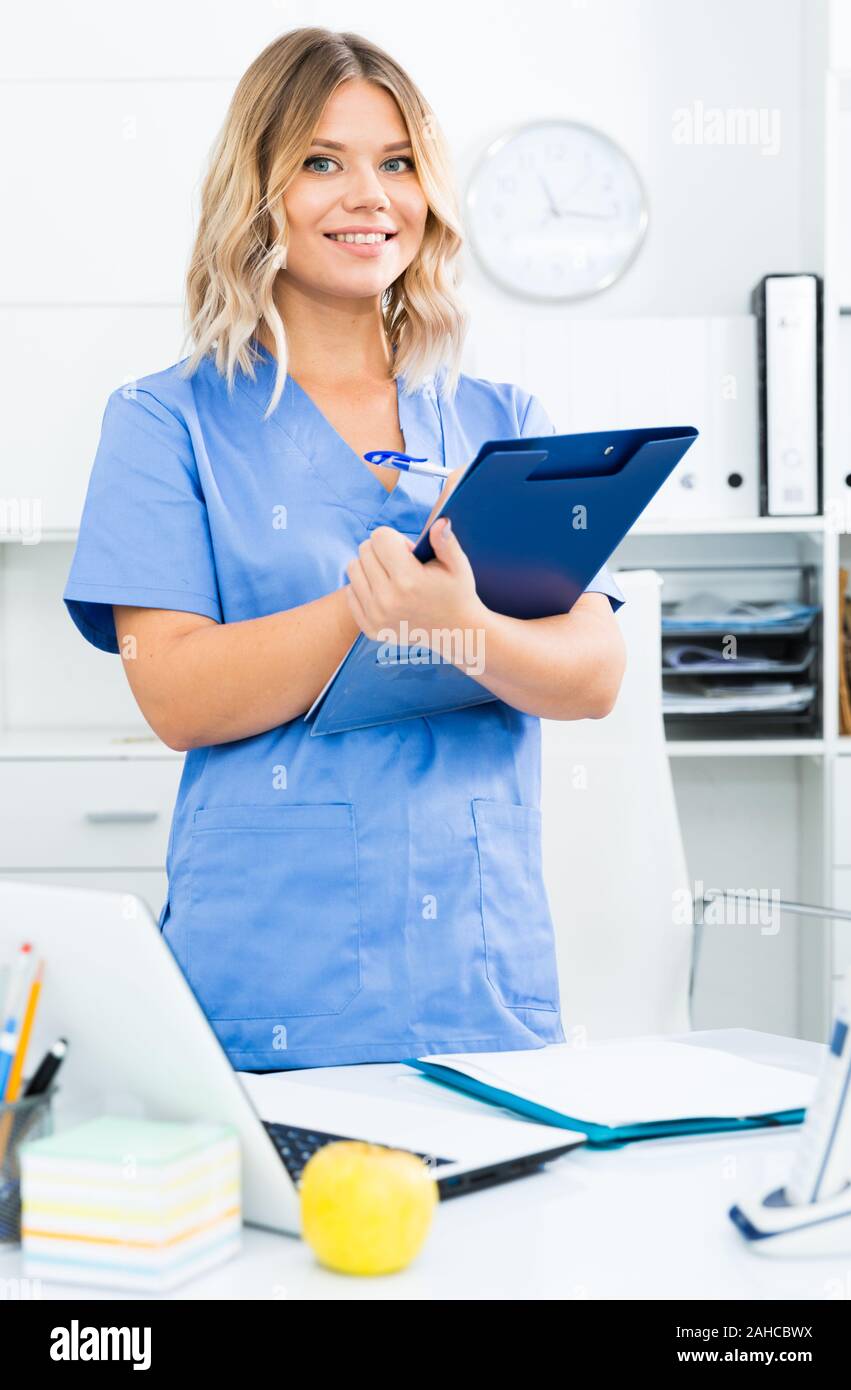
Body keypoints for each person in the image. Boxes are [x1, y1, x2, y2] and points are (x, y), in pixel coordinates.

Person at [63, 27, 626, 1071]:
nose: (369, 196)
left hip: (479, 985)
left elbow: (592, 675)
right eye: (322, 161)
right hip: (272, 981)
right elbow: (178, 695)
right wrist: (384, 601)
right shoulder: (165, 422)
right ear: (258, 192)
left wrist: (464, 628)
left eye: (397, 163)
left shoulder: (500, 423)